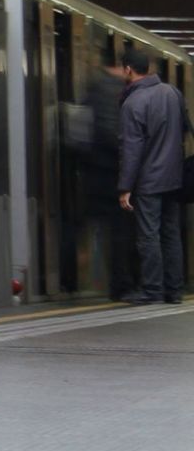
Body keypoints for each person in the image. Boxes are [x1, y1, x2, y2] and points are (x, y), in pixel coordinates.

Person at [116, 48, 187, 306]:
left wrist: (125, 187)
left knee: (148, 235)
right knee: (170, 233)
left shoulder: (133, 103)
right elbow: (184, 129)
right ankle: (174, 291)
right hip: (174, 177)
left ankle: (152, 290)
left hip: (148, 180)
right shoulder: (172, 93)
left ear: (128, 69)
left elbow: (131, 150)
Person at [85, 51, 131, 297]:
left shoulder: (93, 86)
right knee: (119, 230)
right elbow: (113, 133)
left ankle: (103, 280)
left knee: (107, 229)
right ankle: (119, 284)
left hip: (95, 171)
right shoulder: (112, 90)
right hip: (111, 173)